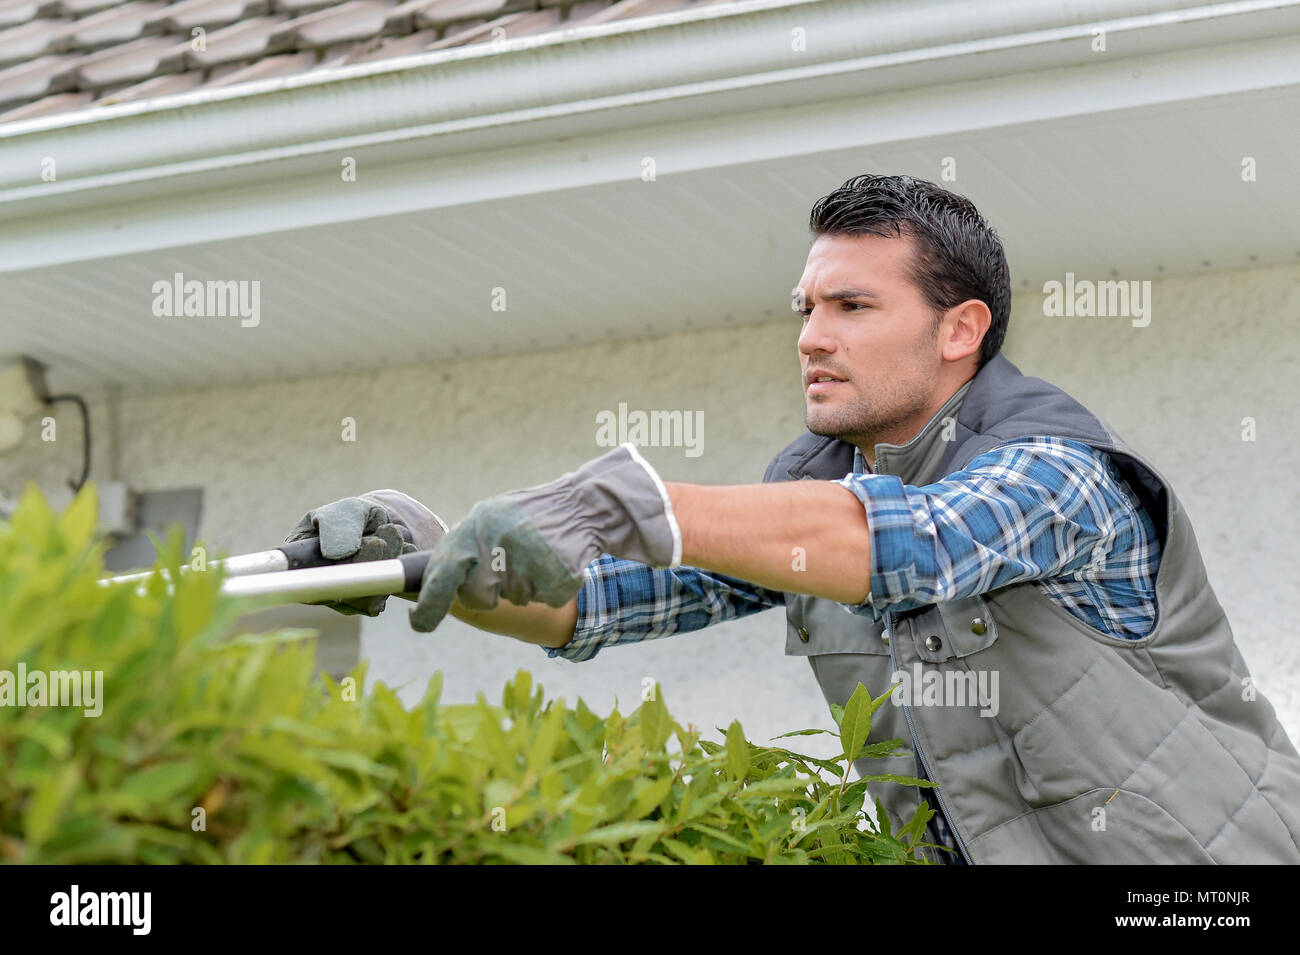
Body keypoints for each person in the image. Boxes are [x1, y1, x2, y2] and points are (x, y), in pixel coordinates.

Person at [286, 174, 1300, 864]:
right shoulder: (808, 499)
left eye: (851, 308)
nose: (811, 338)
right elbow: (586, 605)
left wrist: (621, 499)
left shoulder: (1058, 473)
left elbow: (919, 543)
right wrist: (427, 553)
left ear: (961, 330)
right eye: (804, 309)